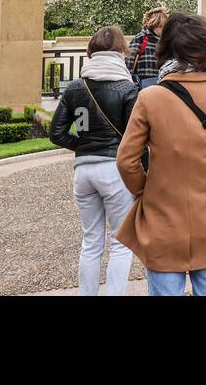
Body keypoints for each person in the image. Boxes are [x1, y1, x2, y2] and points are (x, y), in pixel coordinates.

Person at [114, 13, 206, 296]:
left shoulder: (150, 97)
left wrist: (145, 190)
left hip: (162, 216)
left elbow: (126, 160)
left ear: (166, 48)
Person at [48, 26, 139, 296]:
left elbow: (57, 133)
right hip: (114, 170)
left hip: (83, 171)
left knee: (90, 241)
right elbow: (136, 138)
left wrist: (85, 146)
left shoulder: (76, 86)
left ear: (91, 51)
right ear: (121, 51)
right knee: (121, 243)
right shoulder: (127, 87)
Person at [128, 6, 168, 90]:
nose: (162, 30)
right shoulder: (141, 38)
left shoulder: (165, 42)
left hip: (161, 80)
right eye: (160, 26)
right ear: (154, 25)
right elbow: (129, 61)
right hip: (143, 80)